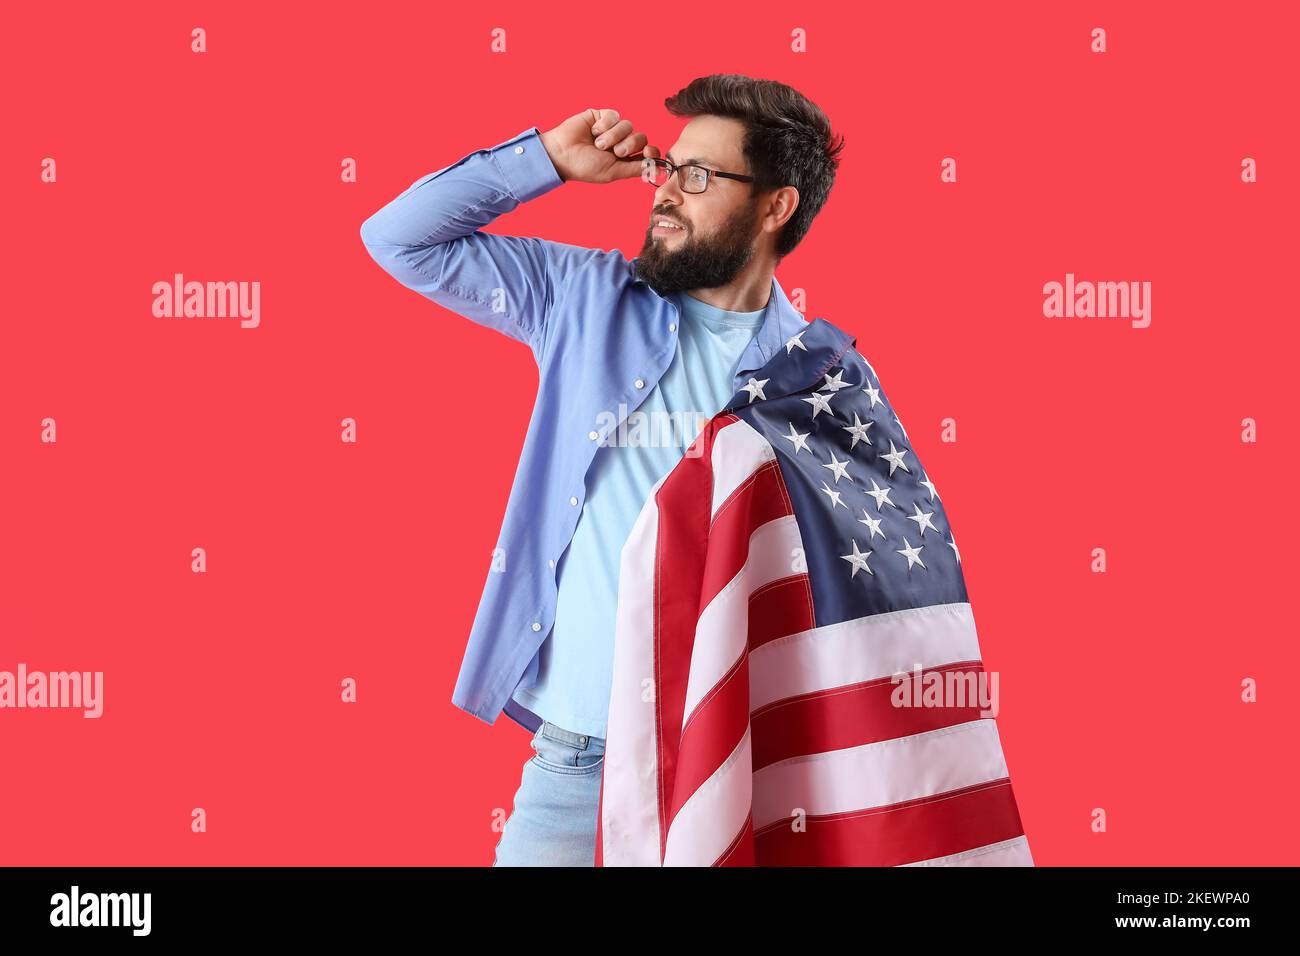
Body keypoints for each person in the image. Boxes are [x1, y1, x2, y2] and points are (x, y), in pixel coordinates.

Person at [359, 74, 845, 865]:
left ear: (775, 206)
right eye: (669, 168)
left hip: (731, 764)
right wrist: (546, 159)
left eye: (698, 175)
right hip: (575, 756)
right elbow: (398, 238)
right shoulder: (584, 299)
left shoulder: (816, 375)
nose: (664, 193)